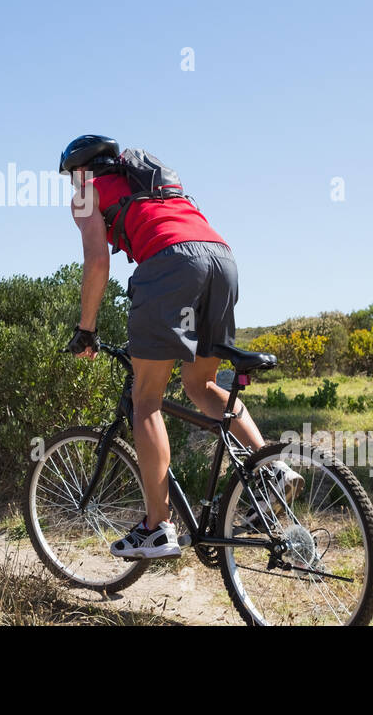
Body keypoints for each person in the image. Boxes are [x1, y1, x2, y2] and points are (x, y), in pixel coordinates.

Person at [59, 134, 302, 559]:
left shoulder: (87, 192)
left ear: (80, 171)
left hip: (171, 262)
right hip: (221, 258)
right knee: (202, 384)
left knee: (146, 400)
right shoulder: (149, 184)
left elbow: (98, 260)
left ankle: (157, 527)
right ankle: (270, 470)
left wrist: (87, 329)